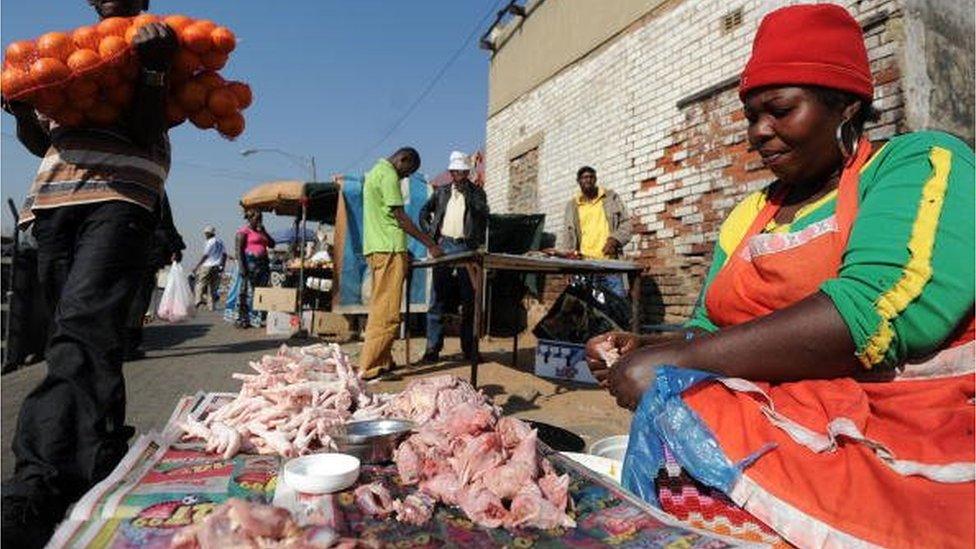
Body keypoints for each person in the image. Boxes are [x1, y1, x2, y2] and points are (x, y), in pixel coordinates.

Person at [585, 5, 974, 547]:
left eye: (780, 110)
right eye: (751, 115)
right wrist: (648, 344)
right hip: (771, 430)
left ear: (847, 105)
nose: (758, 132)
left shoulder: (917, 164)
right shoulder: (752, 214)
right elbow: (711, 328)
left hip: (892, 440)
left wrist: (675, 360)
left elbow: (871, 314)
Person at [0, 0, 178, 545]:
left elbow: (148, 129)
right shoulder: (67, 51)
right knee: (78, 336)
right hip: (53, 201)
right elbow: (44, 141)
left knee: (80, 327)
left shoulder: (157, 39)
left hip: (120, 195)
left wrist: (152, 69)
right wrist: (21, 111)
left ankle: (35, 482)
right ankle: (102, 453)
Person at [360, 147, 443, 379]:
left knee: (382, 307)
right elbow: (400, 218)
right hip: (389, 250)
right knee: (386, 312)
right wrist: (430, 244)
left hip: (380, 247)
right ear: (402, 159)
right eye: (407, 172)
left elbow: (385, 216)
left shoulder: (375, 172)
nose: (405, 177)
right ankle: (371, 367)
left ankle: (383, 360)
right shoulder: (388, 175)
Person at [418, 151, 490, 363]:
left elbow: (482, 213)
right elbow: (423, 213)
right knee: (437, 299)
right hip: (445, 246)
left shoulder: (477, 192)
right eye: (456, 171)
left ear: (467, 172)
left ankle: (469, 349)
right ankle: (433, 348)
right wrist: (431, 236)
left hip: (466, 248)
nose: (459, 175)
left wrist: (470, 194)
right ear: (450, 172)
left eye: (463, 172)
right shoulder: (441, 192)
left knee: (469, 301)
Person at [124, 192, 185, 361]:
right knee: (138, 297)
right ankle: (128, 345)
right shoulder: (149, 181)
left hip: (111, 246)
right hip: (142, 248)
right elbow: (163, 220)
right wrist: (174, 246)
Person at [562, 166, 632, 296]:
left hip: (610, 264)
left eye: (591, 177)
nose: (587, 180)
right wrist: (568, 267)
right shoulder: (572, 206)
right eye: (584, 178)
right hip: (584, 266)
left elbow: (626, 223)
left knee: (617, 304)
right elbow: (568, 237)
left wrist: (614, 240)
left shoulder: (610, 198)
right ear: (578, 181)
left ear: (595, 179)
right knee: (587, 307)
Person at [235, 209, 275, 328]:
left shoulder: (261, 232)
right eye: (257, 219)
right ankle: (244, 318)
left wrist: (264, 232)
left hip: (263, 265)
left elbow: (272, 244)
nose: (259, 221)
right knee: (246, 292)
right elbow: (238, 251)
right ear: (250, 219)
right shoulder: (243, 232)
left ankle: (257, 316)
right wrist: (242, 268)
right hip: (249, 264)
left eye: (261, 219)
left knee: (260, 292)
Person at [193, 225, 226, 311]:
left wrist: (197, 266)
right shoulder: (220, 241)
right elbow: (224, 255)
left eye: (206, 233)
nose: (205, 235)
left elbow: (205, 255)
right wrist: (222, 266)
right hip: (217, 266)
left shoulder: (210, 242)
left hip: (207, 265)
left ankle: (198, 301)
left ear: (209, 233)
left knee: (200, 283)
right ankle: (211, 307)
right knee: (213, 287)